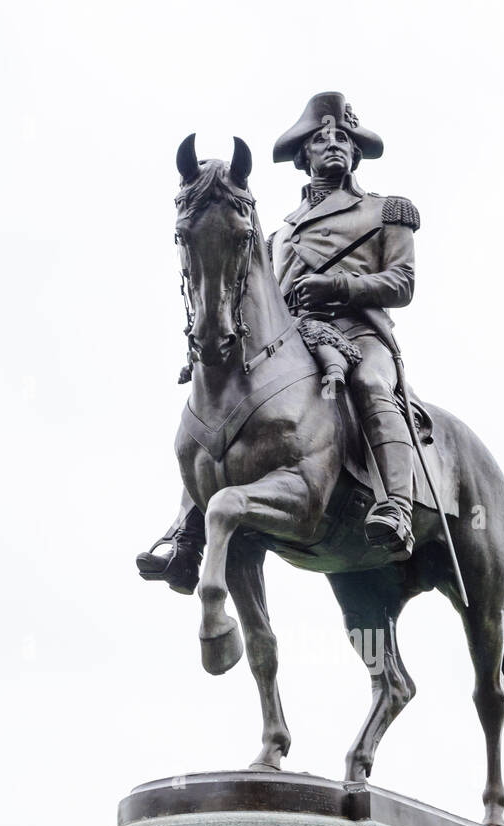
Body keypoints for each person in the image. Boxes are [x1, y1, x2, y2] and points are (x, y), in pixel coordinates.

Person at [136, 92, 420, 591]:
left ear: (355, 152)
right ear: (302, 156)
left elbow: (402, 284)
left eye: (342, 138)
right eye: (319, 139)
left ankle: (396, 507)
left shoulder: (386, 210)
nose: (332, 144)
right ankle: (187, 535)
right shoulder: (278, 234)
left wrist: (340, 286)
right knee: (221, 401)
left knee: (372, 383)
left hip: (359, 332)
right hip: (293, 340)